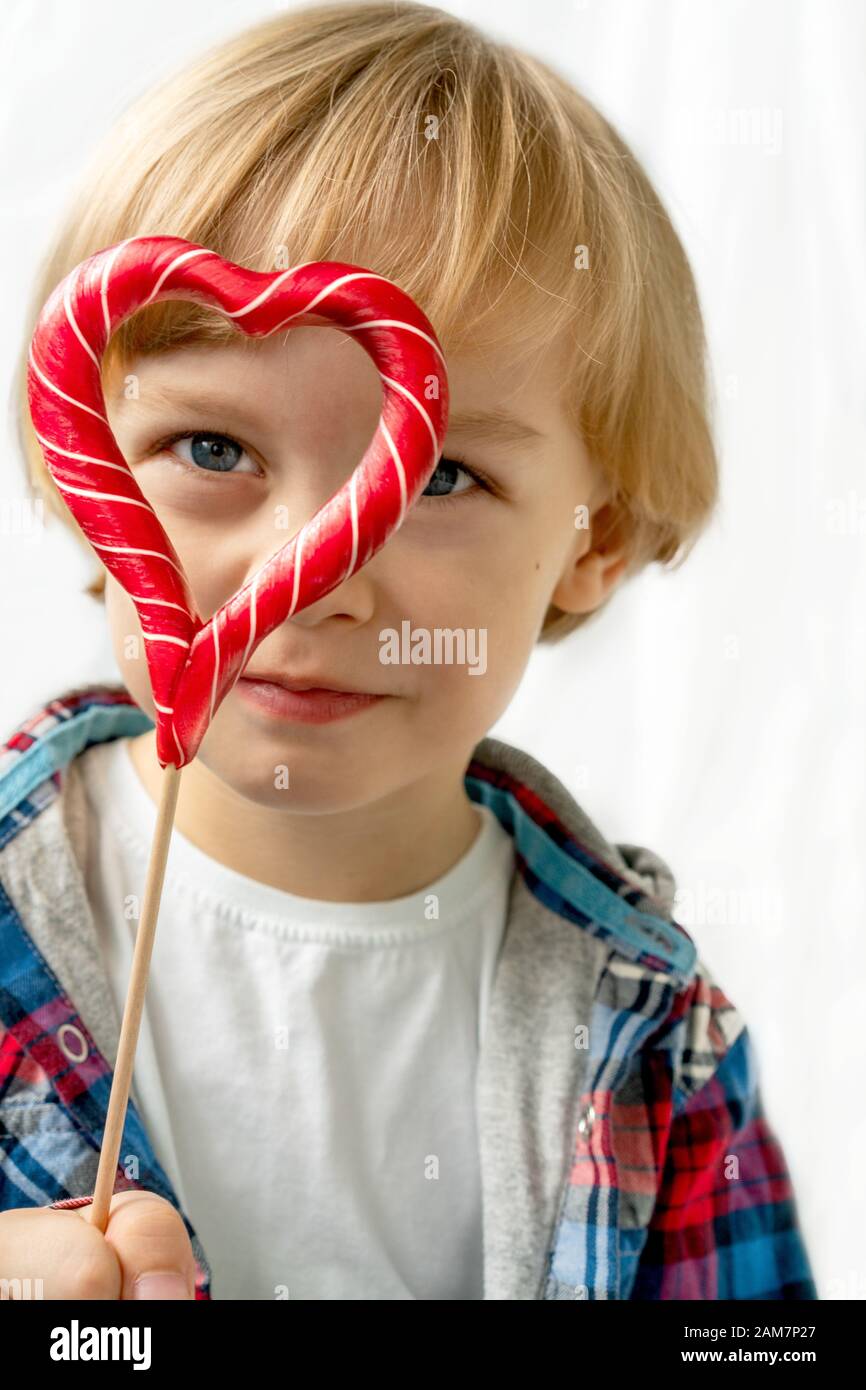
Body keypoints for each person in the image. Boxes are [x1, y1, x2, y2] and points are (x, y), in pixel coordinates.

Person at [0, 1, 816, 1300]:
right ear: (83, 468)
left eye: (435, 474)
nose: (301, 578)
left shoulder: (658, 1041)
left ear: (591, 535)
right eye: (214, 449)